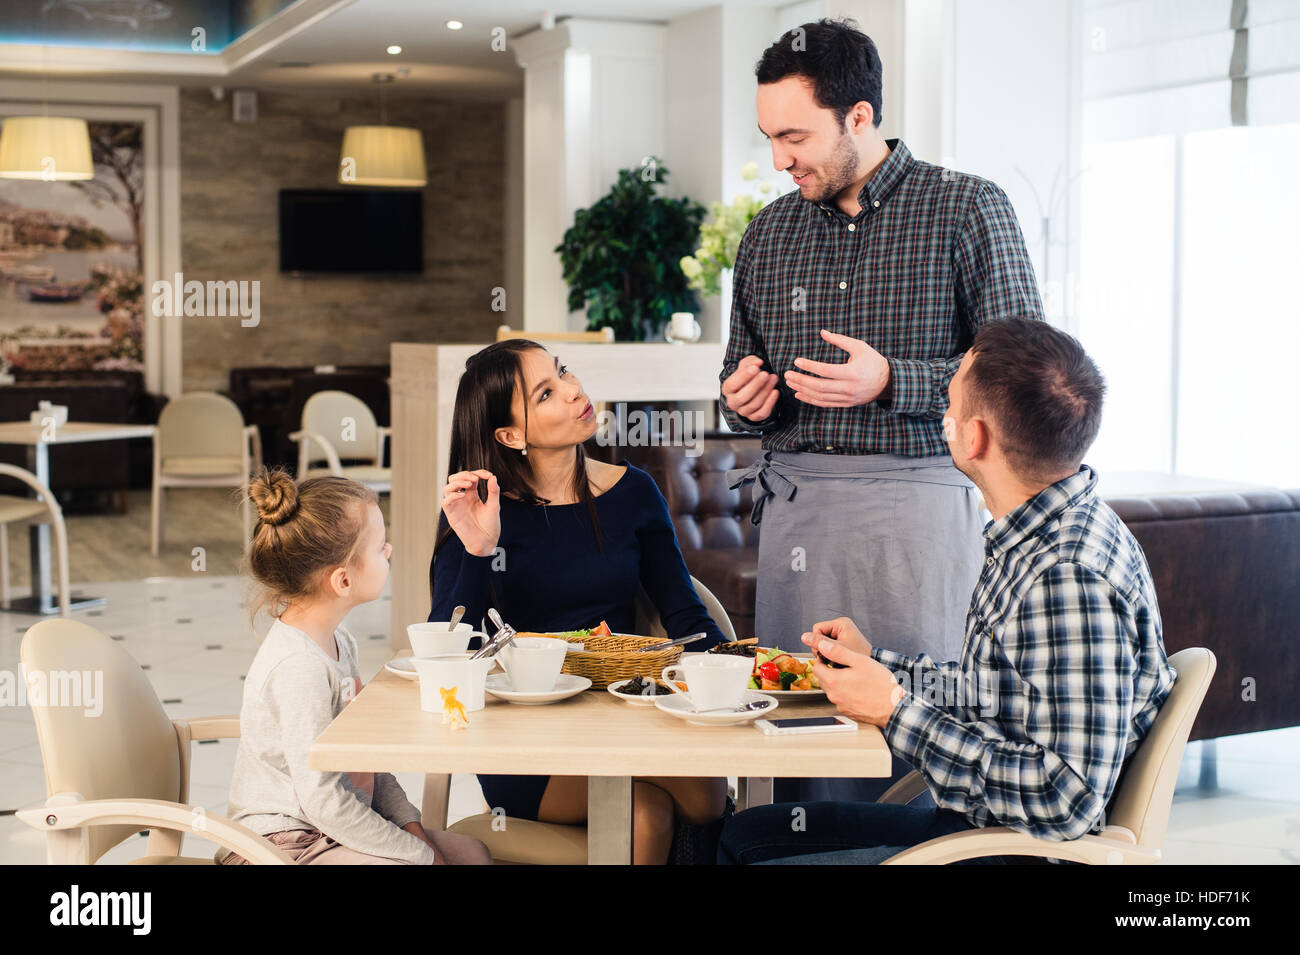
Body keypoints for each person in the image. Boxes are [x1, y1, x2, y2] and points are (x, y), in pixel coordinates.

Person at [719, 18, 1044, 804]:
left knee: (917, 740)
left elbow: (1025, 376)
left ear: (859, 116)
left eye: (794, 135)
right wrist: (741, 399)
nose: (779, 159)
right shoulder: (766, 235)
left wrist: (893, 380)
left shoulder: (969, 209)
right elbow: (737, 373)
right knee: (801, 730)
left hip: (920, 516)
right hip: (797, 516)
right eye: (768, 137)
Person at [718, 318, 1177, 864]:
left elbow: (1065, 801)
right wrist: (882, 668)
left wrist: (894, 710)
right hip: (981, 827)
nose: (943, 415)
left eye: (951, 402)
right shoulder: (1041, 529)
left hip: (1012, 852)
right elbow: (996, 692)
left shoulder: (1066, 574)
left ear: (974, 436)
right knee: (745, 836)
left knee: (758, 855)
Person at [429, 339, 729, 865]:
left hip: (622, 715)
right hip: (527, 740)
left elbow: (685, 615)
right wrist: (478, 551)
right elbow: (446, 658)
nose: (573, 392)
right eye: (547, 392)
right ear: (510, 434)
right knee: (693, 797)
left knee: (669, 806)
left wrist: (748, 674)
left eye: (563, 373)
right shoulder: (479, 512)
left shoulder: (633, 491)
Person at [221, 469, 491, 865]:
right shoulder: (301, 667)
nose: (389, 551)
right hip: (276, 845)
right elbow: (322, 799)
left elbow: (369, 763)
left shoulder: (339, 641)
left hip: (330, 828)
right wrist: (420, 855)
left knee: (471, 852)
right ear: (343, 581)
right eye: (379, 546)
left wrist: (414, 831)